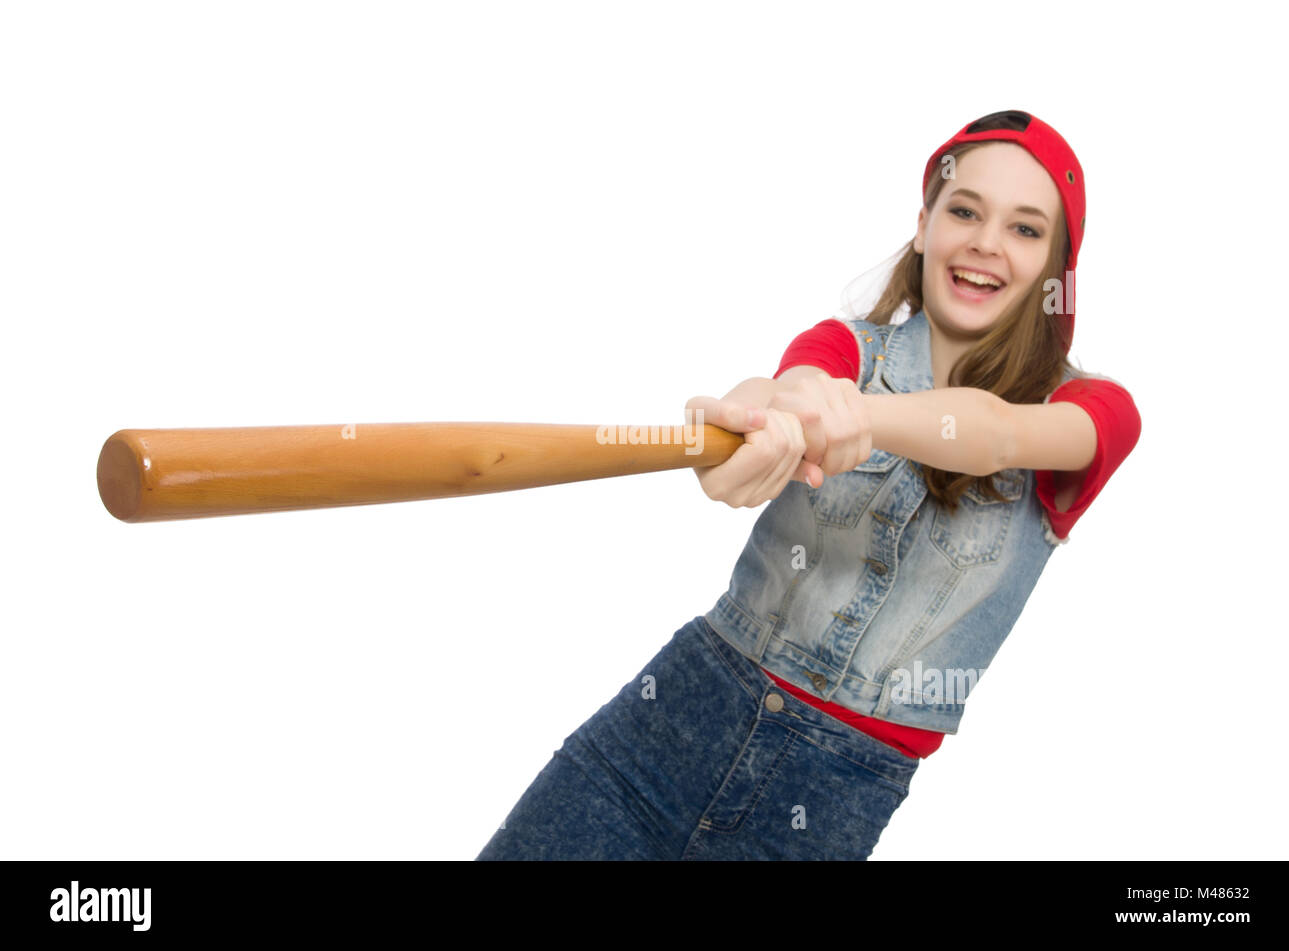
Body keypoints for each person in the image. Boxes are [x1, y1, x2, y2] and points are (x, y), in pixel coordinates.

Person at [476, 109, 1142, 860]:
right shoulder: (845, 350)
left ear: (1057, 267)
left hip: (822, 800)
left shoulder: (1094, 414)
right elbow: (787, 385)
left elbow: (994, 433)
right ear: (923, 226)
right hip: (670, 719)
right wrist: (748, 423)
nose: (986, 242)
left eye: (1025, 229)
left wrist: (860, 415)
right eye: (963, 210)